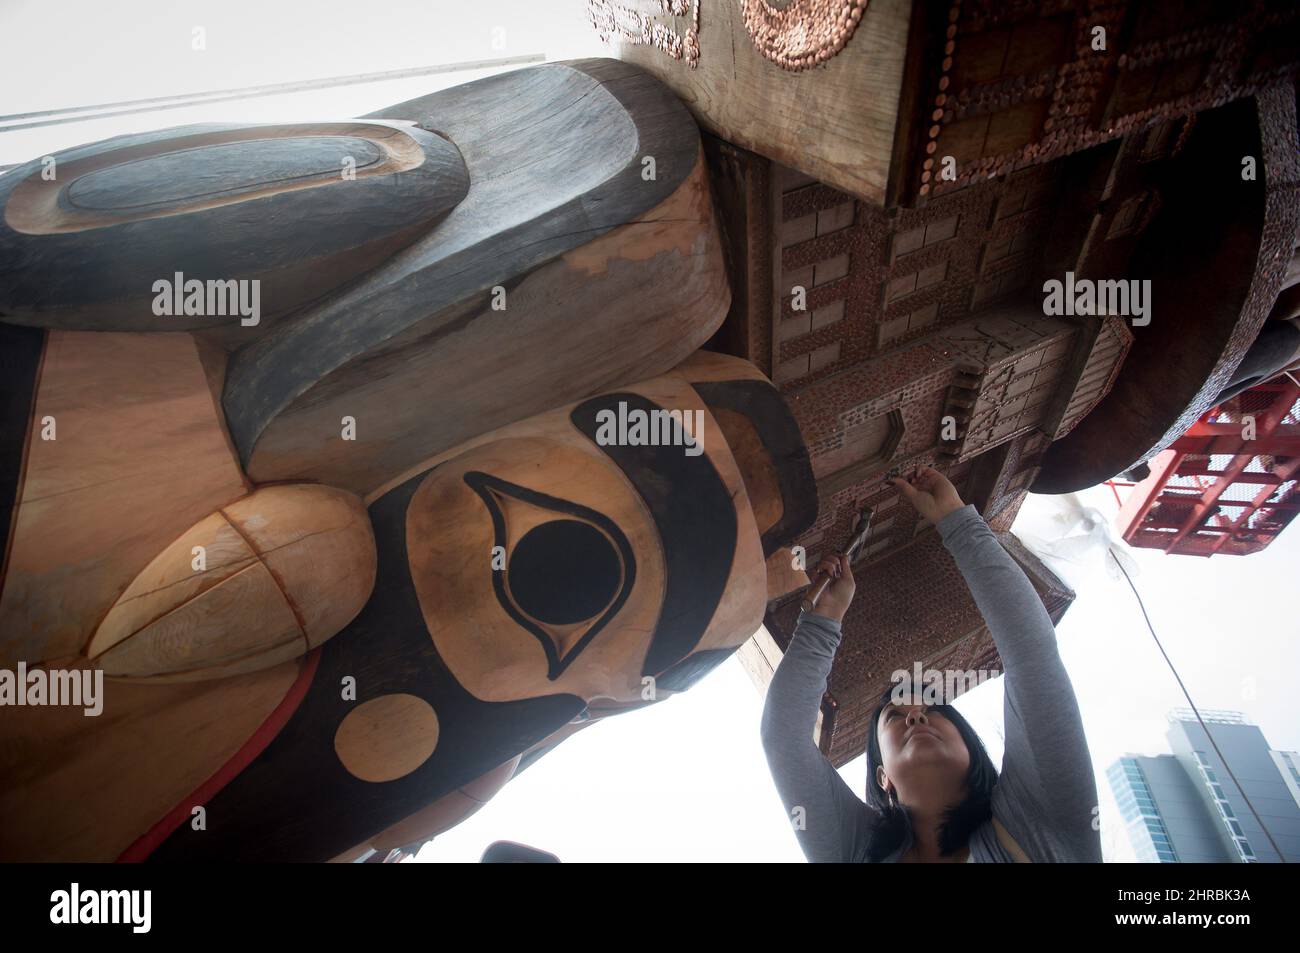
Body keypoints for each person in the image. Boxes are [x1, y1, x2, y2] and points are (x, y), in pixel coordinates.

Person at [759, 465, 1102, 863]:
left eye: (933, 710)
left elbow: (782, 739)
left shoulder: (1046, 824)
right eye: (894, 717)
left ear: (974, 751)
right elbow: (1032, 655)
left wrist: (820, 622)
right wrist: (957, 521)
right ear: (882, 777)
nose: (916, 717)